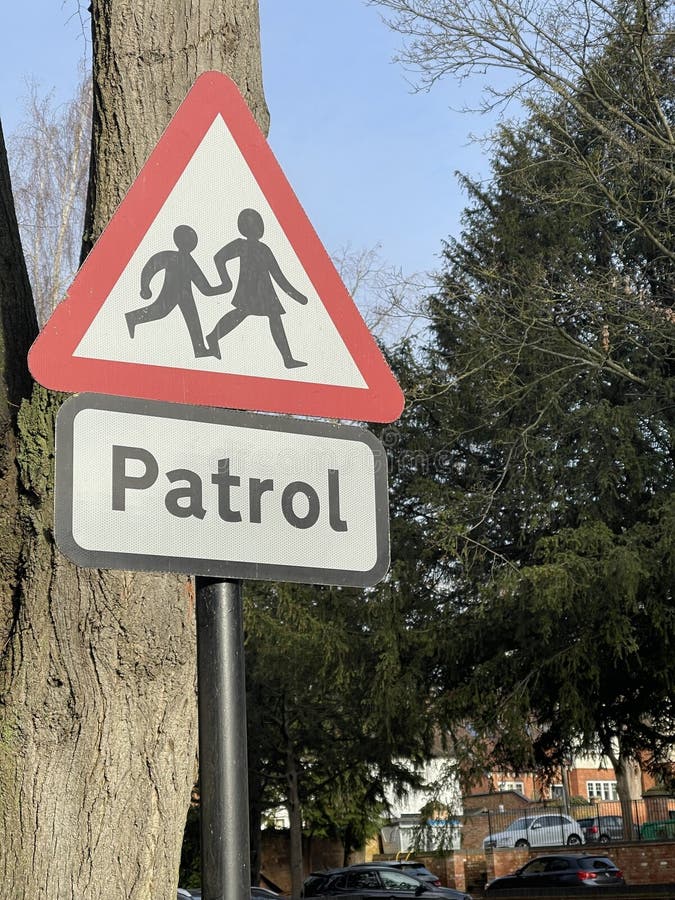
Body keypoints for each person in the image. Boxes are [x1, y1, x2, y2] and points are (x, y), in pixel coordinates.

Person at [205, 208, 308, 367]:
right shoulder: (241, 245)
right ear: (246, 227)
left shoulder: (264, 249)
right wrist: (226, 281)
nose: (259, 228)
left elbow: (278, 275)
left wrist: (296, 295)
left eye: (259, 224)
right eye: (255, 225)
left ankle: (287, 359)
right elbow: (219, 257)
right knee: (243, 314)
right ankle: (213, 337)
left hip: (265, 290)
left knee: (270, 317)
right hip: (250, 289)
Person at [125, 224, 229, 357]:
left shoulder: (188, 261)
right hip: (171, 293)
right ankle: (132, 318)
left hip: (186, 295)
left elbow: (205, 288)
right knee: (160, 311)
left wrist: (223, 288)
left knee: (193, 320)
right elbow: (151, 266)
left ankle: (200, 349)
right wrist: (145, 287)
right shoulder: (170, 256)